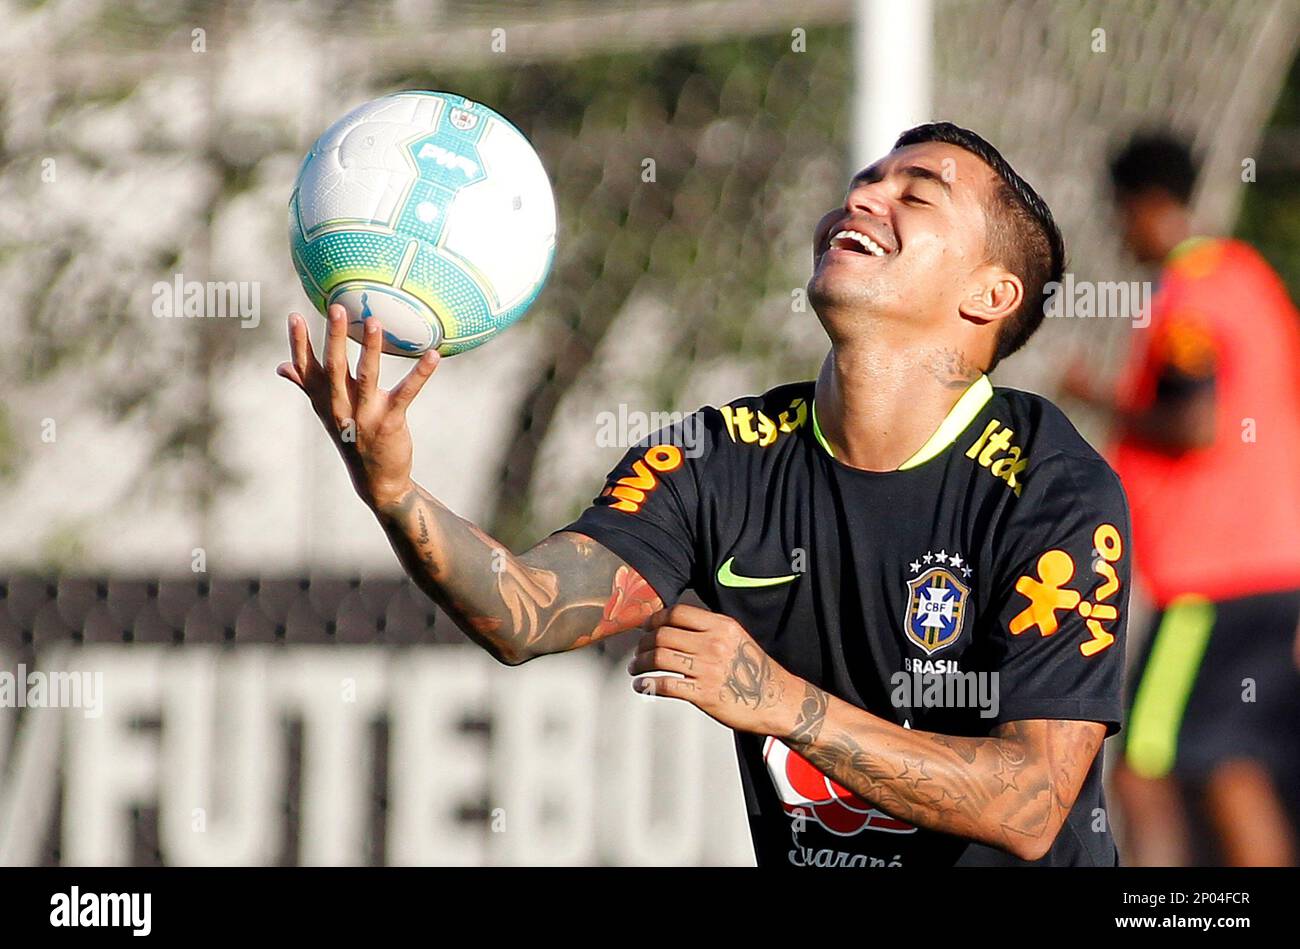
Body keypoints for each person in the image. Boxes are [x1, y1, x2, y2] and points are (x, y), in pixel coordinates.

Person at [278, 122, 1131, 867]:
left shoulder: (1048, 489)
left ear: (990, 296)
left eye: (919, 193)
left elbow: (1028, 805)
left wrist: (782, 702)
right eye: (866, 180)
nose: (866, 197)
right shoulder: (717, 457)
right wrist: (392, 491)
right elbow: (525, 614)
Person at [1064, 131, 1300, 866]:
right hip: (1272, 567)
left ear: (1145, 205)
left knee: (1143, 768)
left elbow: (1197, 422)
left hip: (1212, 579)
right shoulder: (1249, 275)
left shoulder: (1190, 294)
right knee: (1233, 763)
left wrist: (1097, 397)